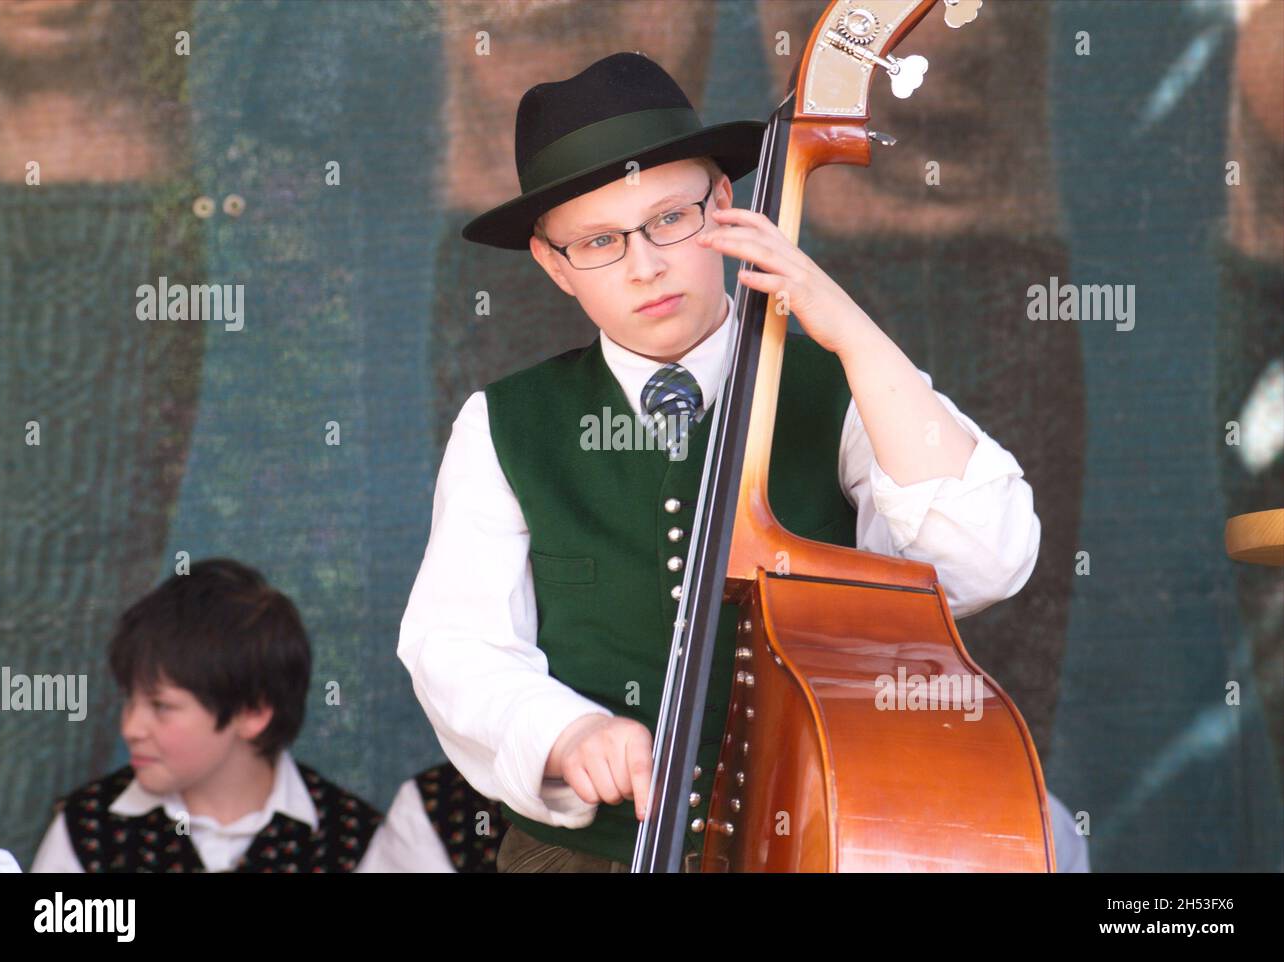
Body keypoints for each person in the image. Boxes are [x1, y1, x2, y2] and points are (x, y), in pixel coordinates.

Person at [398, 52, 1045, 872]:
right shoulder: (503, 424)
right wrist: (566, 731)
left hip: (820, 837)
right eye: (599, 241)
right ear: (553, 265)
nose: (645, 264)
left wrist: (848, 332)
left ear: (727, 206)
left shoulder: (843, 383)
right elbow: (456, 646)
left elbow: (983, 563)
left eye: (671, 219)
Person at [30, 558, 442, 872]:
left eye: (161, 706)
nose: (131, 727)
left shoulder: (352, 840)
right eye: (129, 700)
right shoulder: (88, 830)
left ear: (254, 712)